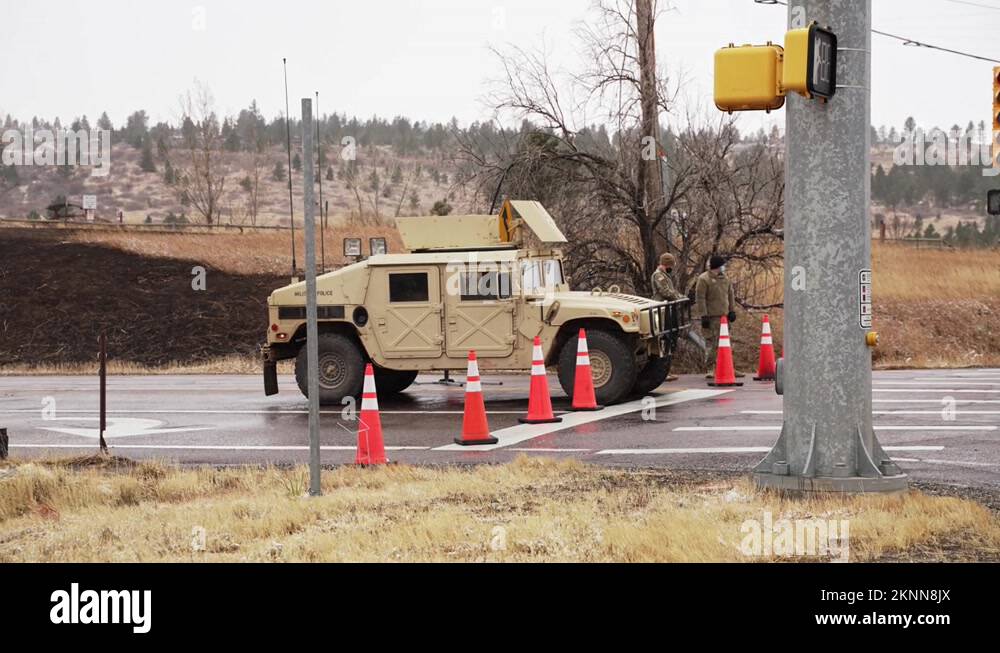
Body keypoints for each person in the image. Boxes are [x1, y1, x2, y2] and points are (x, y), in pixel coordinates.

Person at [695, 255, 742, 379]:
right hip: (711, 317)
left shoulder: (725, 279)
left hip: (724, 317)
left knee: (726, 343)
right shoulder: (704, 279)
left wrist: (732, 311)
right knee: (711, 344)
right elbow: (700, 298)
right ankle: (710, 368)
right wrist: (703, 315)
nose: (724, 267)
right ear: (717, 266)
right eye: (722, 265)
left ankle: (729, 367)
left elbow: (730, 295)